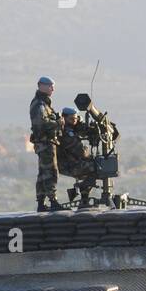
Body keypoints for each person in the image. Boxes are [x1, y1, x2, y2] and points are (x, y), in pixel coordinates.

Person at [29, 76, 65, 211]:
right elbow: (41, 124)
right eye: (50, 86)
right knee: (51, 171)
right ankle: (52, 200)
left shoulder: (44, 104)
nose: (53, 89)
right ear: (42, 86)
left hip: (46, 142)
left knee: (43, 173)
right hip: (45, 143)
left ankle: (41, 202)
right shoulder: (39, 104)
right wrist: (58, 123)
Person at [56, 107, 97, 206]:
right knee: (97, 167)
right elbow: (80, 151)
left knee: (94, 166)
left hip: (71, 163)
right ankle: (83, 196)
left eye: (76, 119)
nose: (74, 121)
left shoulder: (70, 129)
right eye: (71, 119)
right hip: (68, 165)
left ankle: (84, 197)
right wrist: (88, 151)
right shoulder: (66, 132)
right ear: (64, 118)